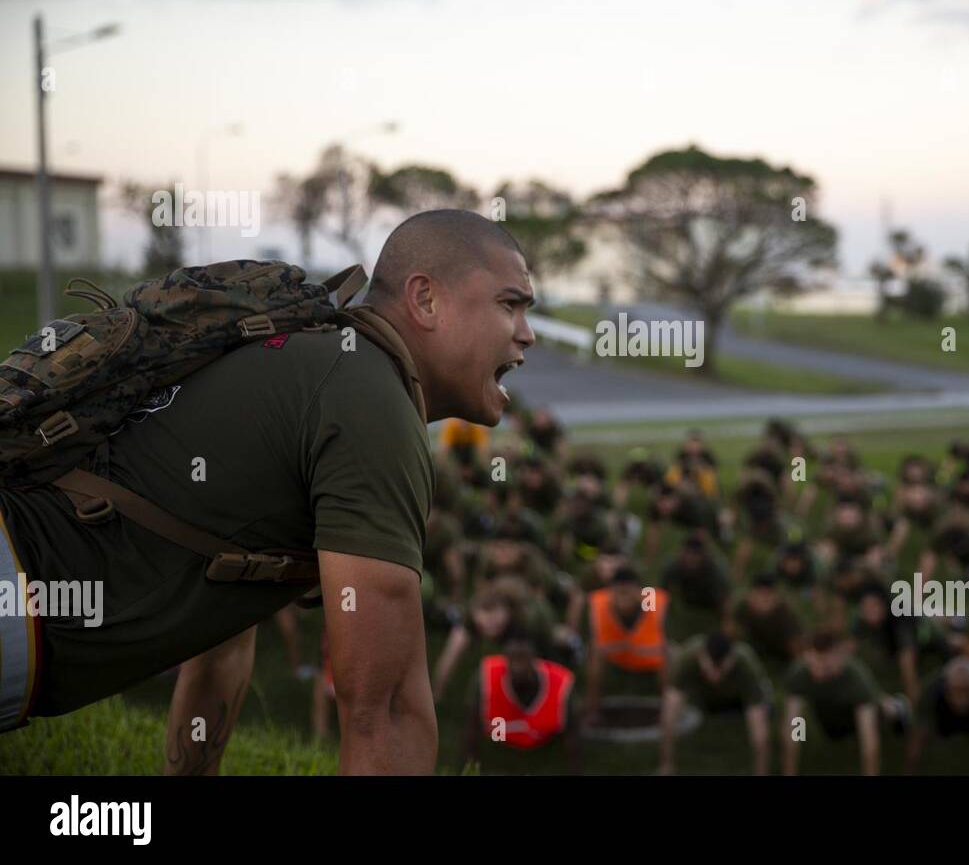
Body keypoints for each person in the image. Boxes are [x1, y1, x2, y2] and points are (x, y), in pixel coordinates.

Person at [0, 209, 536, 775]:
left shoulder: (318, 359)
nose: (526, 332)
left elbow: (223, 635)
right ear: (425, 299)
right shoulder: (370, 401)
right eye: (510, 304)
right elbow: (390, 709)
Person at [465, 626, 579, 770]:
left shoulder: (561, 684)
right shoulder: (485, 679)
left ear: (536, 657)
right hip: (500, 752)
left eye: (523, 658)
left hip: (544, 750)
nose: (519, 667)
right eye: (513, 659)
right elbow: (471, 730)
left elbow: (573, 739)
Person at [659, 631, 771, 775]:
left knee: (760, 728)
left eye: (721, 668)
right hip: (704, 698)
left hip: (737, 701)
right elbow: (670, 705)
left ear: (732, 658)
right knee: (670, 711)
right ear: (701, 654)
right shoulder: (688, 656)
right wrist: (666, 765)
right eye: (711, 666)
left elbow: (759, 733)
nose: (715, 674)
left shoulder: (746, 663)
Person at [782, 628, 882, 775]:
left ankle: (894, 705)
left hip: (860, 711)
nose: (817, 670)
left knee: (883, 713)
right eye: (814, 663)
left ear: (839, 659)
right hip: (829, 712)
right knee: (834, 736)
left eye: (824, 665)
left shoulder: (856, 677)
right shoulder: (800, 673)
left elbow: (869, 740)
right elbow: (793, 725)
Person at [584, 567, 670, 718]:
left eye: (628, 592)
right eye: (619, 592)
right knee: (593, 655)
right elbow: (596, 643)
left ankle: (668, 707)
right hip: (615, 655)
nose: (623, 598)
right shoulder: (601, 603)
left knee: (671, 655)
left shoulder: (649, 601)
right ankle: (593, 709)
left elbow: (664, 637)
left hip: (651, 656)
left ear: (639, 591)